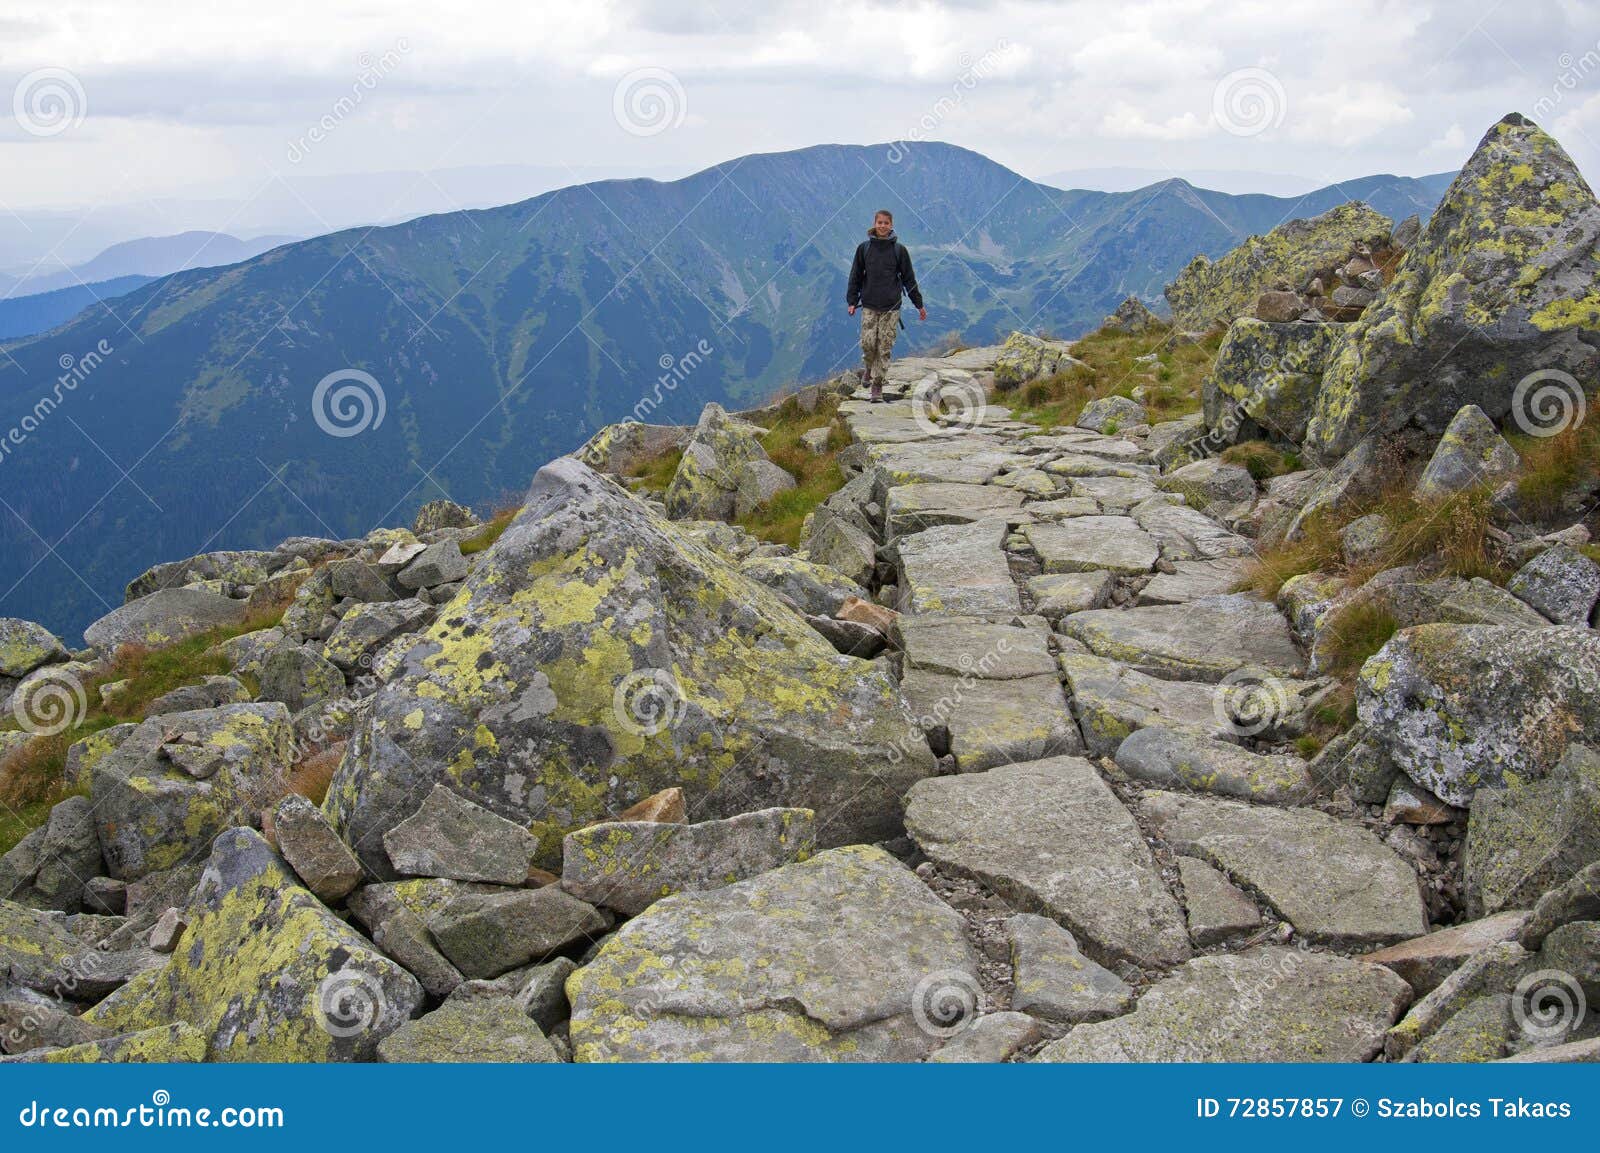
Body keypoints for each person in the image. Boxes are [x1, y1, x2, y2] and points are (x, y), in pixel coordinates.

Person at [846, 209, 926, 402]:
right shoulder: (864, 249)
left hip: (891, 306)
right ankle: (868, 369)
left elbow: (909, 279)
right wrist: (851, 301)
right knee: (868, 343)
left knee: (884, 346)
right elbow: (855, 275)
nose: (882, 226)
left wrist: (919, 304)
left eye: (886, 223)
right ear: (874, 224)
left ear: (891, 225)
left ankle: (877, 385)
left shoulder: (899, 251)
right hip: (869, 304)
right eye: (879, 222)